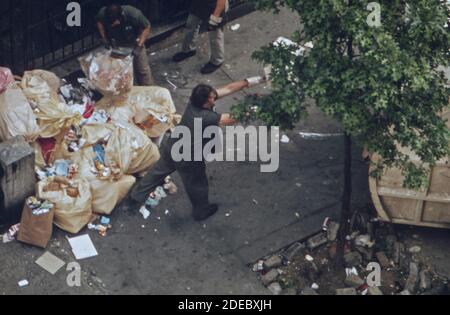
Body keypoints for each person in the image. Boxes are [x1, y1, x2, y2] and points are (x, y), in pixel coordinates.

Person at [126, 75, 267, 221]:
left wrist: (254, 80)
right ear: (207, 102)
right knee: (197, 184)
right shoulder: (205, 117)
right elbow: (231, 118)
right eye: (212, 97)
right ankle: (201, 211)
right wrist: (258, 107)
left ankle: (136, 196)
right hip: (188, 158)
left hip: (174, 145)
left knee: (157, 172)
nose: (215, 97)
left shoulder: (194, 103)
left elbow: (228, 88)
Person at [96, 3, 155, 86]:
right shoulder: (103, 14)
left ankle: (149, 90)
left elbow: (147, 26)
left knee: (142, 70)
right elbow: (99, 22)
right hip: (118, 45)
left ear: (121, 16)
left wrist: (139, 45)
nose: (113, 25)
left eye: (115, 22)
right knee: (121, 72)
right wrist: (104, 38)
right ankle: (128, 91)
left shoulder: (134, 15)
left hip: (135, 42)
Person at [172, 0, 229, 74]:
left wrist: (215, 16)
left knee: (215, 34)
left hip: (215, 5)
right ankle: (188, 49)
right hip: (199, 3)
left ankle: (217, 60)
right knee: (191, 24)